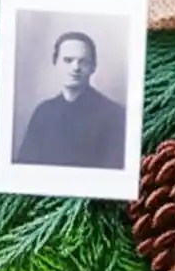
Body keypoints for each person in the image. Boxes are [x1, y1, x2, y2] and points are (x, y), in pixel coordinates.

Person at [15, 30, 126, 169]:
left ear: (93, 67)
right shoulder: (43, 112)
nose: (75, 68)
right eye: (68, 60)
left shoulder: (114, 115)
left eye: (83, 61)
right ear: (55, 63)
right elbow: (25, 166)